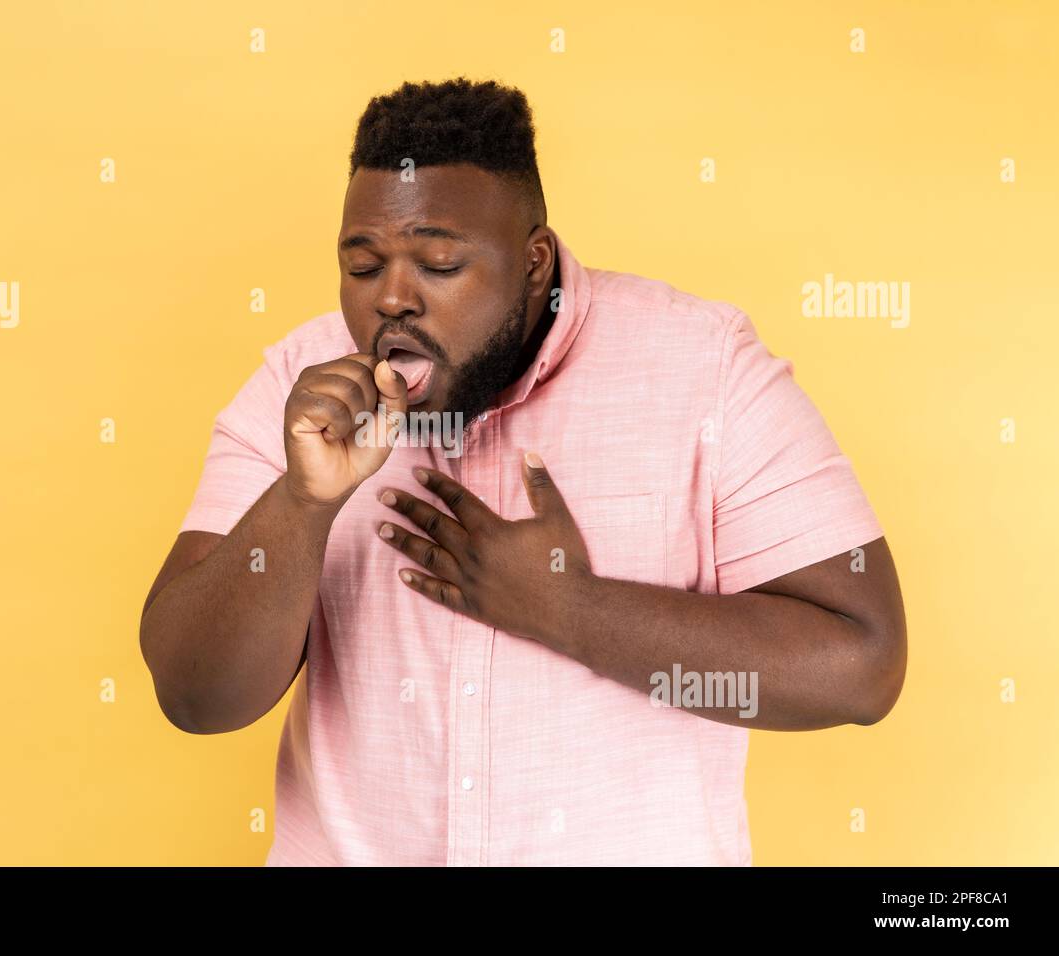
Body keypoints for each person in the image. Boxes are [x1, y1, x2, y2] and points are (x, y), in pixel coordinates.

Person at [139, 77, 907, 866]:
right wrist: (302, 501)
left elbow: (861, 666)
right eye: (363, 266)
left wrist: (566, 608)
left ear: (534, 262)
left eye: (438, 262)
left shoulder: (703, 369)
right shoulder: (298, 388)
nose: (392, 300)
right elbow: (197, 698)